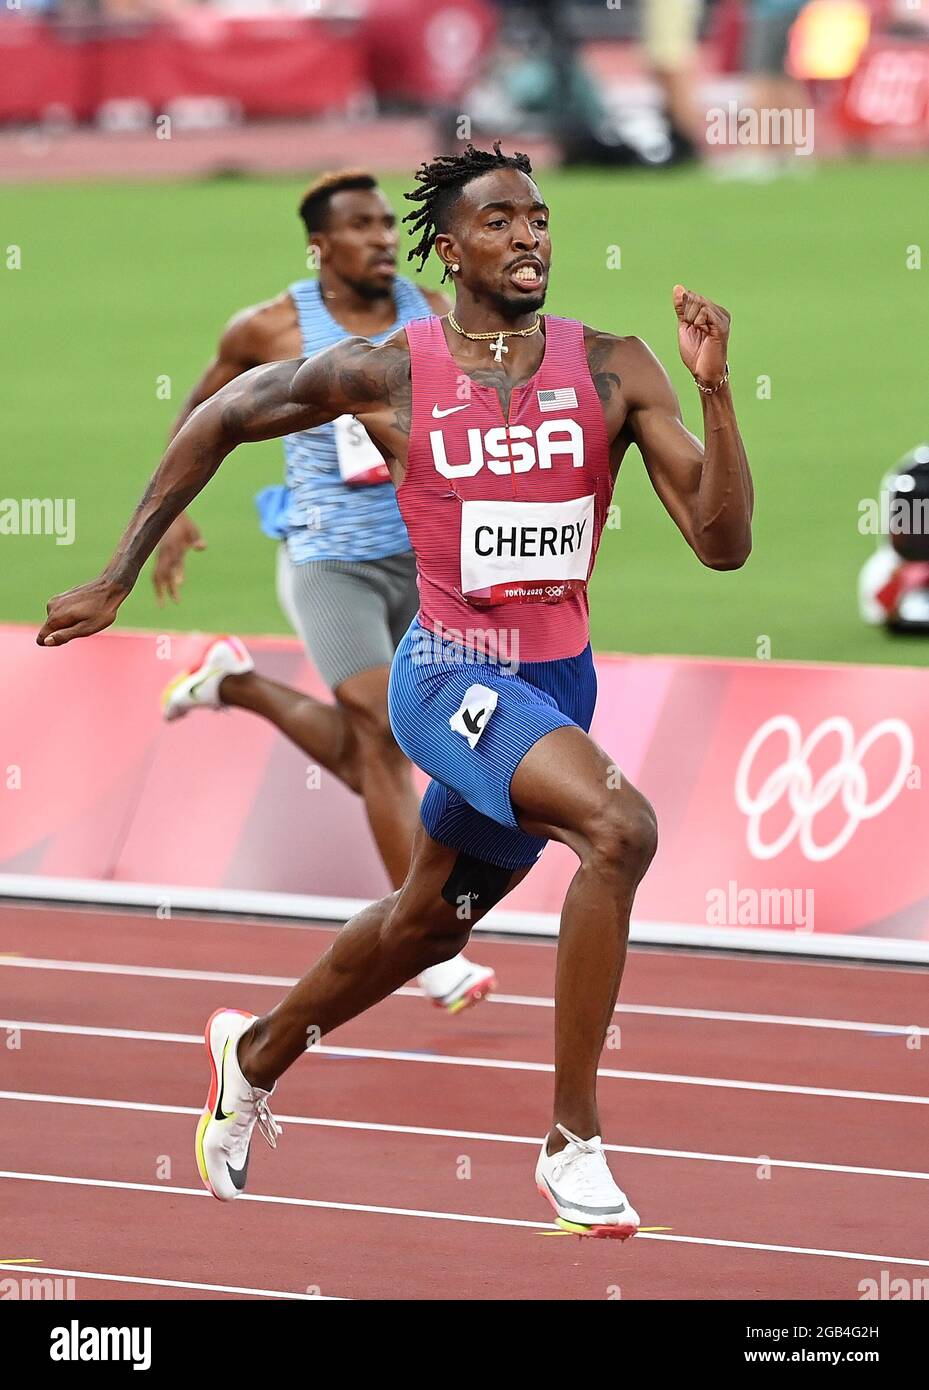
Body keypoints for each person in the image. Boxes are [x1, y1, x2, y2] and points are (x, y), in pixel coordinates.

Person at [39, 143, 753, 1236]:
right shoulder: (392, 370)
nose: (529, 238)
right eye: (501, 222)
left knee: (429, 925)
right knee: (617, 828)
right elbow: (225, 413)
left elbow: (720, 546)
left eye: (539, 218)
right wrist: (118, 571)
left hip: (557, 683)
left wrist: (713, 396)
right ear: (448, 248)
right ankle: (571, 1143)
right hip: (449, 674)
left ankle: (255, 1052)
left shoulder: (615, 366)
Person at [154, 169, 496, 1014]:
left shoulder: (429, 309)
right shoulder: (271, 326)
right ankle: (427, 944)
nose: (382, 237)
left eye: (387, 223)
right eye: (360, 226)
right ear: (320, 245)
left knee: (384, 743)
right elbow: (204, 414)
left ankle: (235, 682)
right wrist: (169, 519)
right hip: (327, 561)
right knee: (382, 731)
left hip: (426, 564)